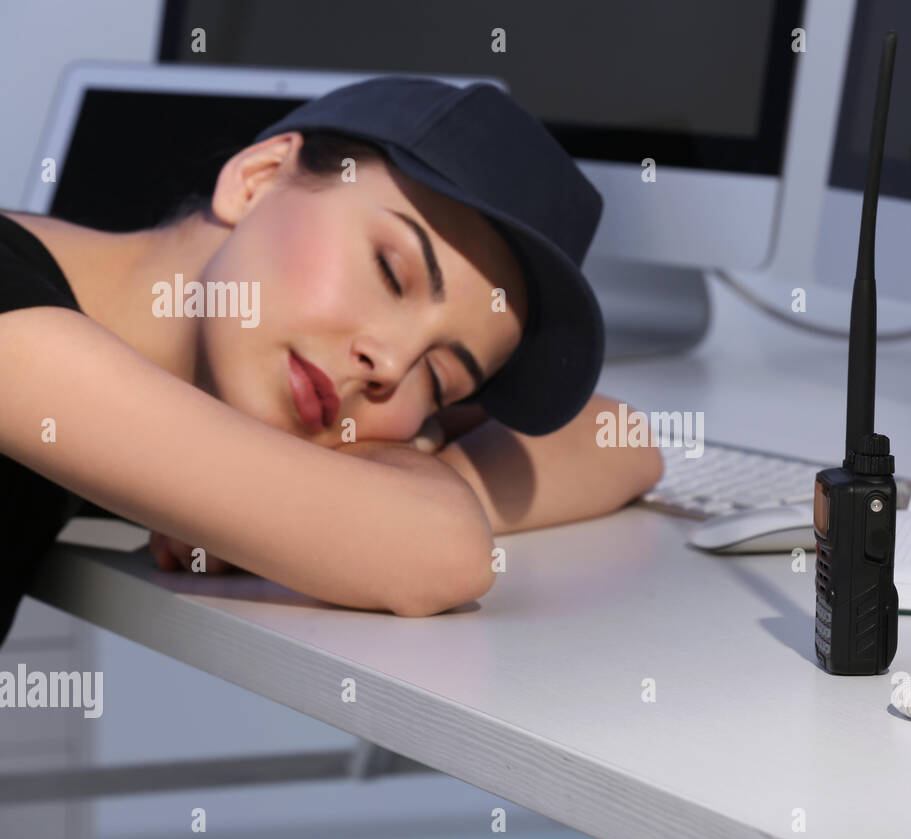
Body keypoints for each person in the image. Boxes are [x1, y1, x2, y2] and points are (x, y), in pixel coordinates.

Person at [0, 77, 663, 646]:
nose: (389, 361)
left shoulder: (139, 389)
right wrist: (343, 499)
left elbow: (623, 440)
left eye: (439, 381)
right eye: (390, 270)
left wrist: (329, 490)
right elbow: (438, 550)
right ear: (258, 180)